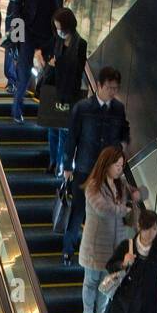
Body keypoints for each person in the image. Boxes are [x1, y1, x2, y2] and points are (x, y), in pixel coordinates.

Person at [62, 68, 130, 264]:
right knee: (78, 209)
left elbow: (124, 131)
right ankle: (68, 248)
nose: (112, 92)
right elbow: (72, 136)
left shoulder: (118, 108)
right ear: (99, 85)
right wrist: (67, 165)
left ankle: (98, 252)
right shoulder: (82, 108)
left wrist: (121, 148)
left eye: (115, 88)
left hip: (107, 172)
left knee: (103, 211)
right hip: (84, 167)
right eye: (109, 87)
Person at [78, 146, 139, 313]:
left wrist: (138, 195)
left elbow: (136, 194)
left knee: (108, 281)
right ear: (107, 164)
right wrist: (124, 210)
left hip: (115, 245)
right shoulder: (93, 185)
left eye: (122, 165)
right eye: (117, 165)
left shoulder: (120, 183)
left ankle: (100, 312)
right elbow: (102, 208)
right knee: (91, 281)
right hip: (95, 244)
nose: (120, 169)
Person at [10, 0, 64, 119]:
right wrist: (17, 35)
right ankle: (17, 110)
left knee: (49, 75)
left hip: (49, 37)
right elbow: (17, 6)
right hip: (28, 34)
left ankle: (46, 113)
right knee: (24, 73)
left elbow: (60, 11)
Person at [40, 6, 86, 171]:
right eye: (57, 27)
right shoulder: (57, 40)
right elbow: (48, 58)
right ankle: (53, 161)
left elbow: (77, 70)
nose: (59, 31)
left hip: (69, 94)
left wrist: (58, 64)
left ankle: (61, 164)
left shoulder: (80, 44)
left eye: (61, 27)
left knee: (65, 133)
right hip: (53, 90)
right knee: (52, 130)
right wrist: (51, 64)